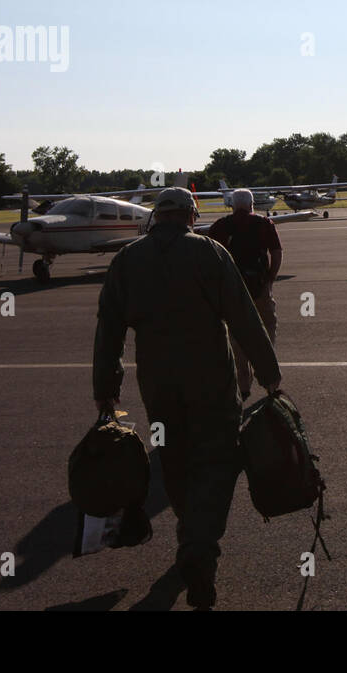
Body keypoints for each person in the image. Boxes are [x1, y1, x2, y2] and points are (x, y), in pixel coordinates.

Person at [92, 187, 280, 610]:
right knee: (218, 462)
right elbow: (243, 317)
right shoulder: (210, 252)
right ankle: (199, 547)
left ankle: (190, 537)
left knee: (174, 462)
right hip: (210, 379)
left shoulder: (127, 259)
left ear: (157, 216)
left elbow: (108, 329)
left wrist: (105, 389)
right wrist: (269, 376)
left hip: (158, 383)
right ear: (192, 216)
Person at [207, 189, 282, 385]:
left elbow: (211, 258)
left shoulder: (220, 226)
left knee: (236, 335)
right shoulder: (264, 223)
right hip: (260, 287)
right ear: (251, 205)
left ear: (232, 205)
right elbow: (276, 252)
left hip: (233, 289)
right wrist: (270, 280)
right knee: (267, 328)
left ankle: (243, 379)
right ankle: (268, 376)